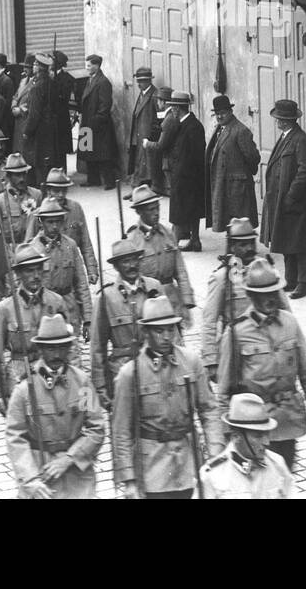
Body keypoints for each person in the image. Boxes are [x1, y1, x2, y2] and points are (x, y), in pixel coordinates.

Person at [216, 258, 306, 471]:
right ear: (250, 295)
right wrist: (226, 437)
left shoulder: (290, 323)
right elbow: (223, 391)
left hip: (287, 423)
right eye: (262, 293)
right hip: (252, 427)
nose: (270, 298)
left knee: (284, 482)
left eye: (273, 292)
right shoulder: (236, 333)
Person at [110, 294, 223, 499]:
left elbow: (209, 409)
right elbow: (121, 431)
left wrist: (215, 454)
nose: (166, 337)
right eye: (159, 331)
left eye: (170, 329)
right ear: (146, 332)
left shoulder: (191, 361)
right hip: (152, 468)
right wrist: (129, 481)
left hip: (189, 462)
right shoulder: (130, 373)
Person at [4, 313, 105, 499]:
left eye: (61, 347)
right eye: (50, 349)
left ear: (69, 348)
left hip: (77, 475)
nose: (57, 354)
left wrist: (69, 458)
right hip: (41, 476)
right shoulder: (25, 389)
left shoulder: (82, 383)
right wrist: (30, 480)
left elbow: (96, 428)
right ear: (41, 349)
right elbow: (15, 437)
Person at [0, 241, 67, 406]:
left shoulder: (56, 302)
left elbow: (70, 345)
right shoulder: (5, 309)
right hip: (19, 373)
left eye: (39, 269)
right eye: (29, 271)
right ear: (18, 274)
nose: (36, 275)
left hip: (50, 370)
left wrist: (72, 375)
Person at [89, 238, 165, 408]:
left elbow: (170, 330)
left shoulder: (154, 287)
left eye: (135, 260)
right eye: (125, 261)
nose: (132, 265)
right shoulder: (106, 297)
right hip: (121, 372)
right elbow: (97, 346)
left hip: (155, 369)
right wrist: (100, 387)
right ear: (116, 266)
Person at [262, 99, 306, 299]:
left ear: (287, 121)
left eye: (279, 118)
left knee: (300, 243)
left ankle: (303, 283)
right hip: (282, 200)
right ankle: (291, 279)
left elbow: (305, 171)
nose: (276, 121)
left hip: (295, 201)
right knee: (286, 240)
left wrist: (291, 195)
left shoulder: (300, 140)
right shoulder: (286, 137)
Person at [199, 393, 296, 499]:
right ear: (236, 436)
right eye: (258, 436)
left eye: (266, 434)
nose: (266, 442)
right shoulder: (213, 474)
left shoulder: (277, 465)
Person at [124, 183, 195, 323]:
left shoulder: (168, 234)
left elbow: (180, 270)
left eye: (157, 208)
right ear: (139, 212)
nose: (156, 213)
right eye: (151, 210)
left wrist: (186, 301)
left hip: (171, 300)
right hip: (147, 302)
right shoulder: (132, 240)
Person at [145, 91, 206, 250]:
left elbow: (194, 154)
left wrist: (183, 173)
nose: (171, 110)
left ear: (178, 109)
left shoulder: (192, 126)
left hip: (187, 175)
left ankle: (176, 242)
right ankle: (195, 240)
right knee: (191, 208)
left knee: (180, 208)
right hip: (186, 173)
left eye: (173, 108)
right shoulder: (185, 124)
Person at [26, 197, 92, 343]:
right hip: (43, 312)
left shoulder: (70, 245)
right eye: (50, 222)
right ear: (41, 222)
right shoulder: (32, 249)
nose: (55, 226)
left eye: (58, 221)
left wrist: (88, 319)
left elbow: (81, 283)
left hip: (69, 309)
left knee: (72, 354)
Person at [204, 93, 260, 240]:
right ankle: (234, 247)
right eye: (217, 114)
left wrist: (243, 175)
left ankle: (243, 248)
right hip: (224, 183)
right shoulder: (220, 129)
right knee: (229, 220)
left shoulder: (240, 131)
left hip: (236, 186)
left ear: (230, 112)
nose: (220, 117)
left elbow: (253, 157)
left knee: (239, 220)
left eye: (223, 113)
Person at [77, 54, 118, 190]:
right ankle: (93, 179)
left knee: (103, 154)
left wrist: (96, 120)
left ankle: (109, 181)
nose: (86, 68)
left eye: (89, 65)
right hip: (88, 122)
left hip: (99, 124)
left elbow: (105, 106)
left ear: (96, 66)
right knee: (88, 152)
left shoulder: (103, 82)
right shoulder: (91, 80)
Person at [127, 66, 163, 192]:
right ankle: (137, 190)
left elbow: (159, 119)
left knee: (148, 166)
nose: (138, 84)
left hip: (148, 136)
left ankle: (146, 190)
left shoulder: (154, 95)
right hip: (138, 135)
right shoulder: (142, 94)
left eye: (141, 81)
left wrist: (153, 135)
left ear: (148, 81)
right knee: (139, 164)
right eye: (138, 81)